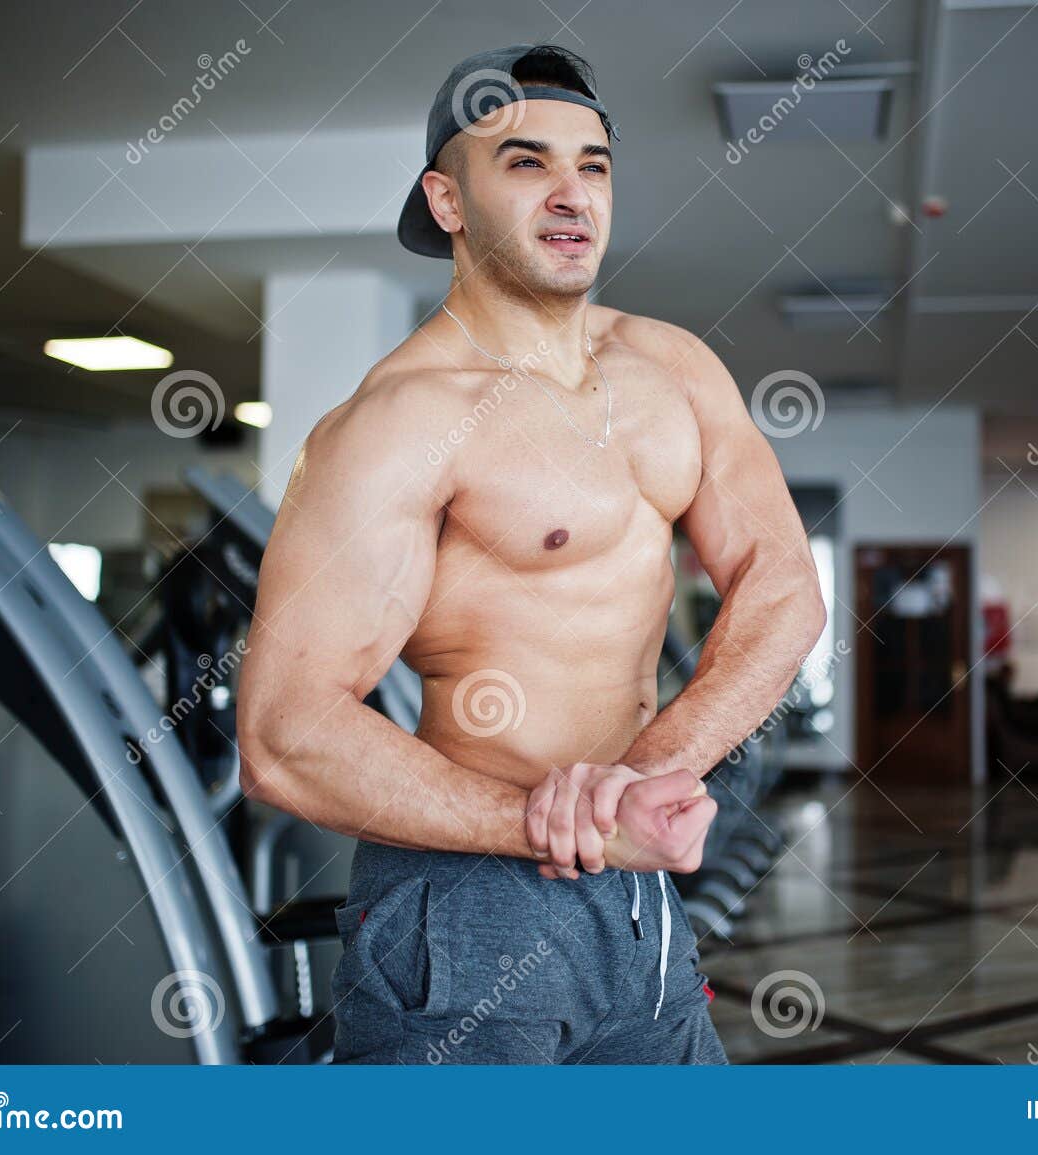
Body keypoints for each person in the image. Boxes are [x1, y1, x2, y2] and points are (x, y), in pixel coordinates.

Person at [237, 42, 826, 1065]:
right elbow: (283, 733)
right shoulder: (399, 422)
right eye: (524, 162)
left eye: (592, 165)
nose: (571, 193)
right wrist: (558, 825)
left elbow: (784, 589)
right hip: (467, 909)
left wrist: (643, 780)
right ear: (447, 200)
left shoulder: (672, 367)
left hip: (638, 898)